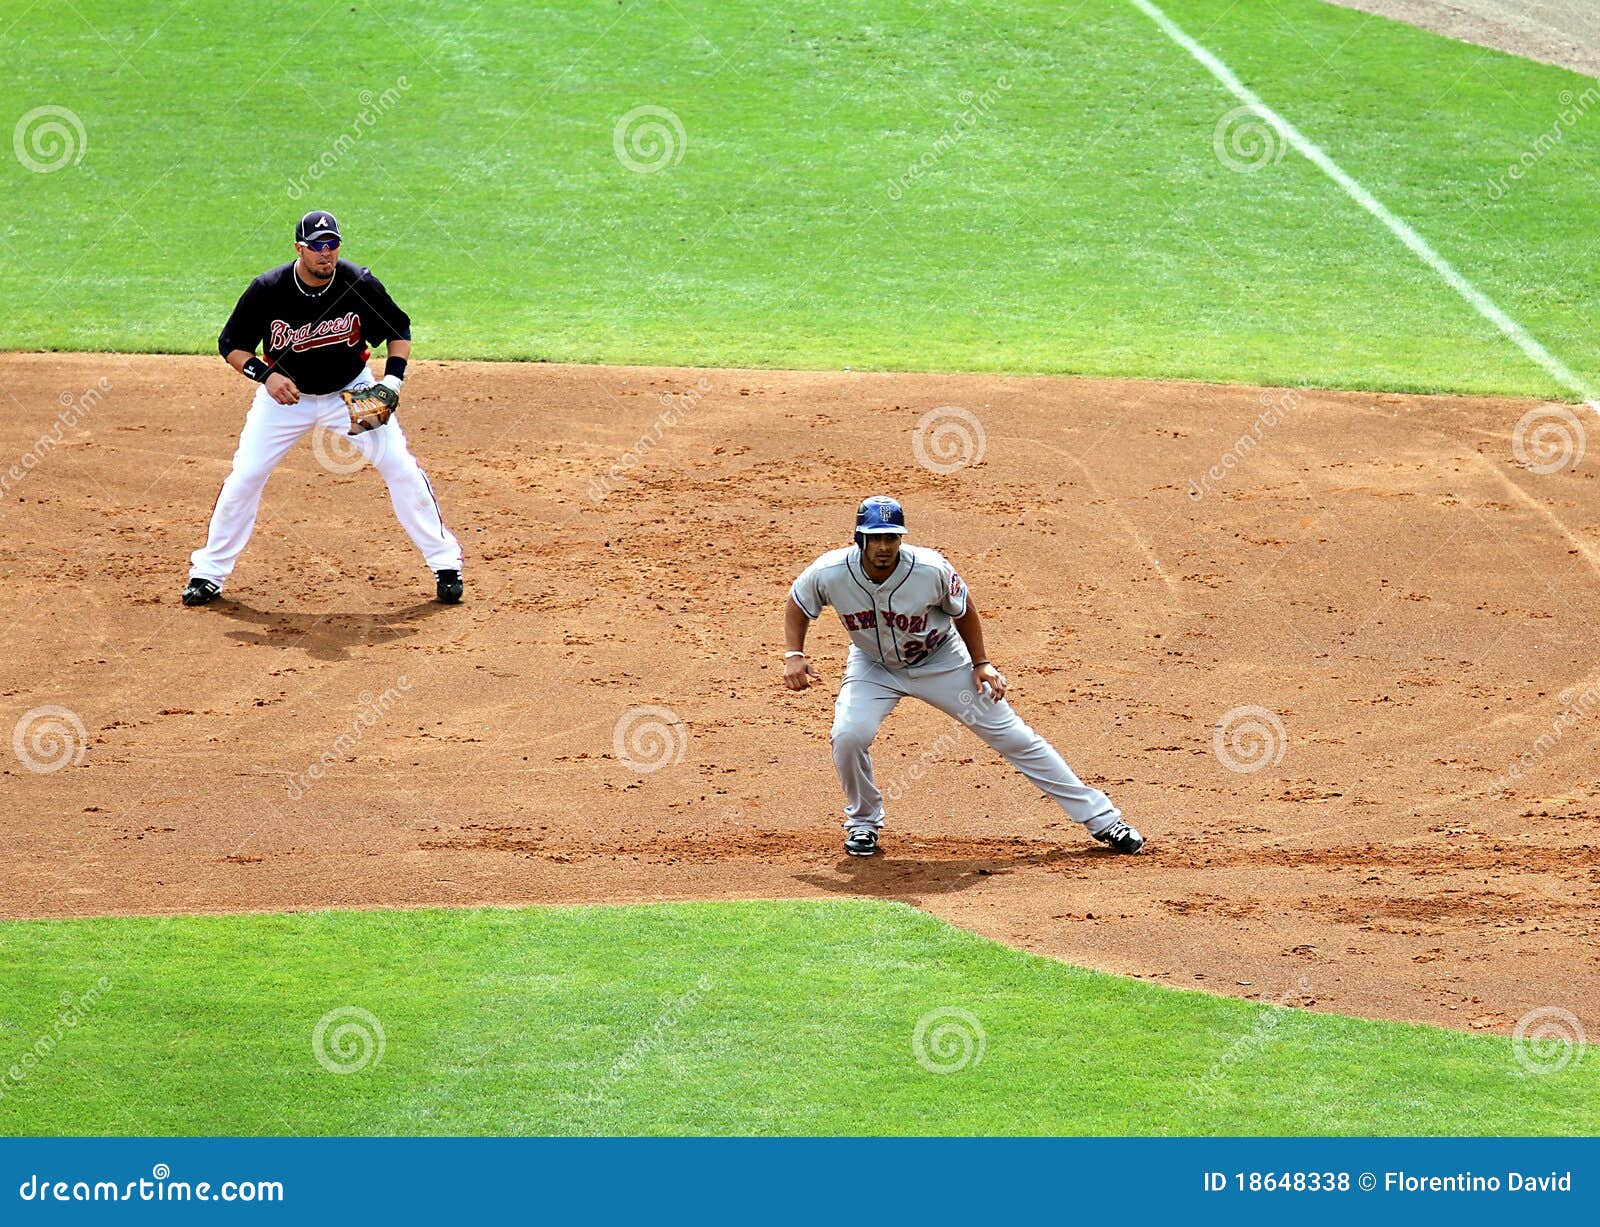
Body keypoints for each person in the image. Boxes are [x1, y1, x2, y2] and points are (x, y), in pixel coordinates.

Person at [784, 495, 1143, 857]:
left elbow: (963, 607)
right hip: (873, 666)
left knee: (1014, 737)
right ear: (859, 538)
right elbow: (798, 603)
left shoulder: (929, 568)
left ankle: (1104, 820)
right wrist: (794, 655)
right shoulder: (830, 571)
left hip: (942, 660)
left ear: (901, 539)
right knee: (848, 735)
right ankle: (863, 824)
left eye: (891, 538)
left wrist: (981, 663)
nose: (883, 546)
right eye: (874, 537)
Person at [183, 210, 463, 607]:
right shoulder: (268, 288)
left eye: (331, 244)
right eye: (316, 246)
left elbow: (399, 331)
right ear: (300, 248)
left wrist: (391, 382)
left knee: (399, 466)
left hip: (351, 392)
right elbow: (231, 345)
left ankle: (446, 564)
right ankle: (208, 574)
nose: (325, 253)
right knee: (246, 475)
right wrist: (266, 377)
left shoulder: (358, 282)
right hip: (285, 401)